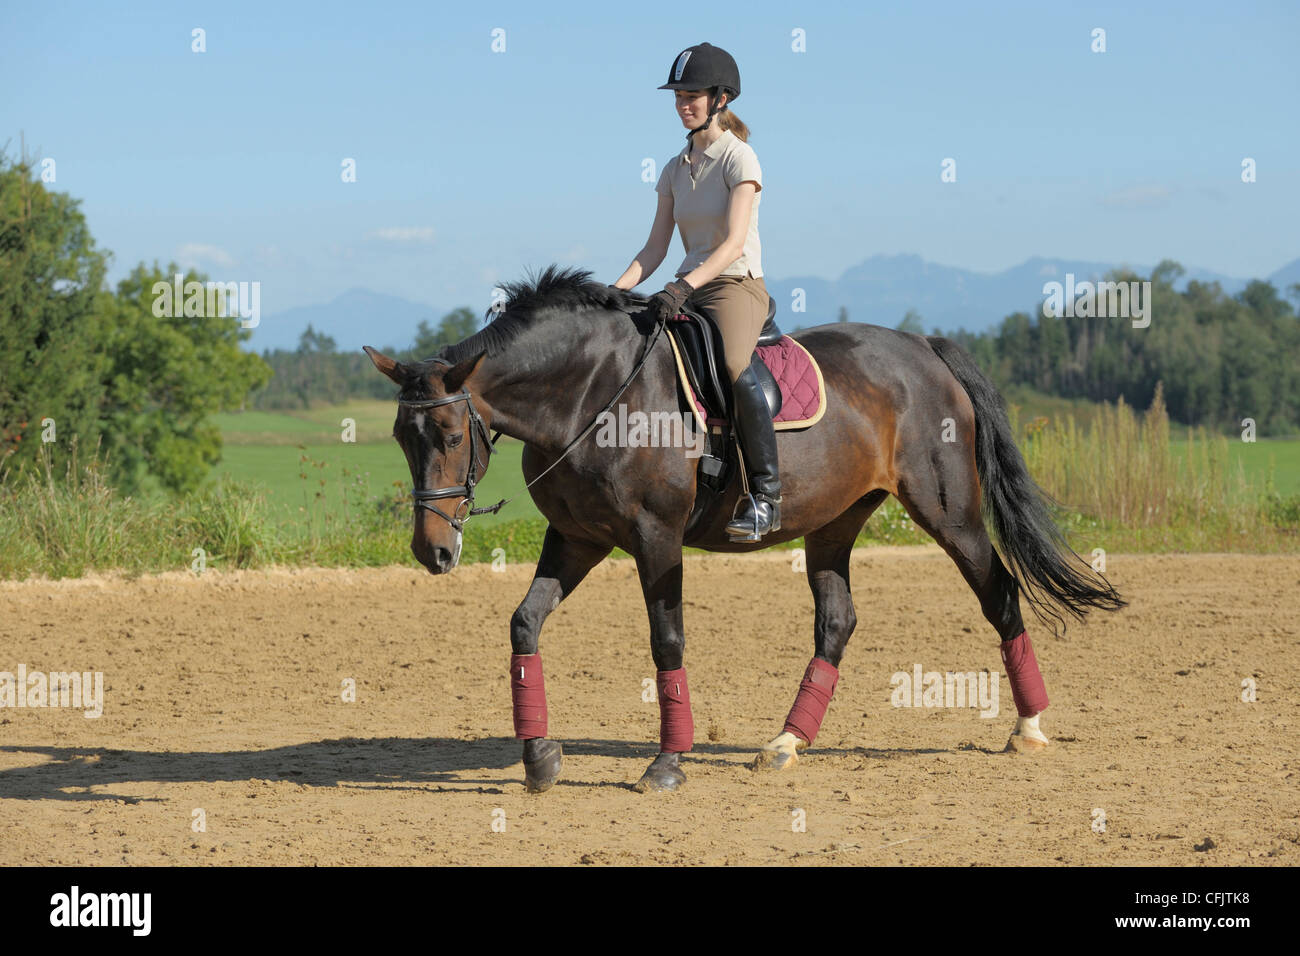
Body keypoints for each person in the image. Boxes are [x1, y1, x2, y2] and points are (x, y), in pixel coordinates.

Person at [612, 41, 781, 541]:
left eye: (694, 94)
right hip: (686, 286)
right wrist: (612, 292)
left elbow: (730, 246)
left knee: (732, 364)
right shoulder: (673, 168)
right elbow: (654, 249)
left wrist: (682, 287)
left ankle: (766, 495)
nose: (684, 103)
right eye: (679, 94)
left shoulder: (740, 158)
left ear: (722, 98)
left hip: (735, 286)